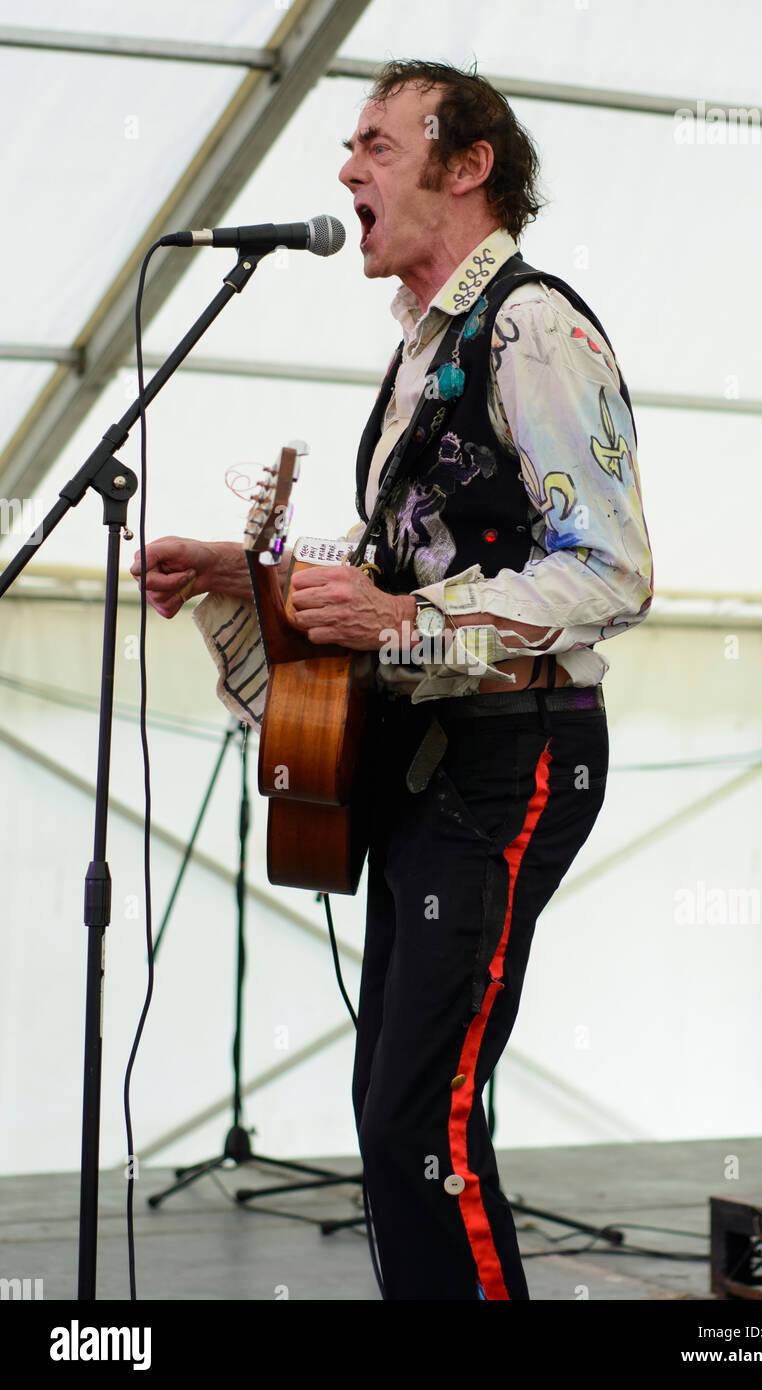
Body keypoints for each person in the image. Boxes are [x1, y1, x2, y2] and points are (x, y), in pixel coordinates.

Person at [132, 59, 653, 1301]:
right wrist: (244, 570)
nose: (345, 167)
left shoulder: (531, 325)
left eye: (374, 141)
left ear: (464, 165)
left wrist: (402, 616)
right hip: (438, 756)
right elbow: (406, 562)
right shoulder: (427, 349)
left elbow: (609, 573)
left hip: (514, 748)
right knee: (395, 1113)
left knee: (420, 1120)